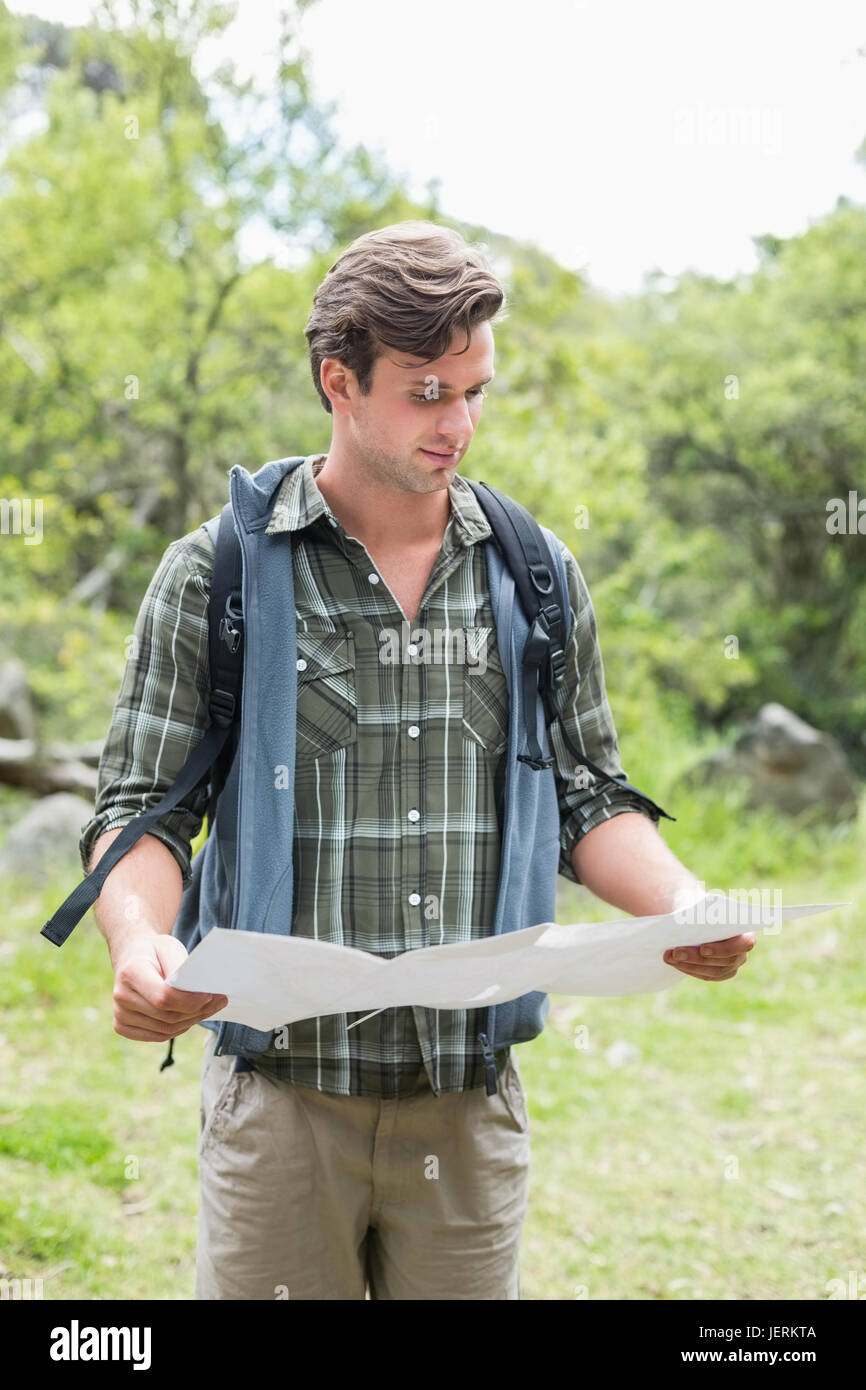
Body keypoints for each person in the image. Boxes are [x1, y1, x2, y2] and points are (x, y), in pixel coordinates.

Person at [80, 220, 755, 1301]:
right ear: (337, 381)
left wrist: (681, 903)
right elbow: (144, 811)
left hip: (468, 1111)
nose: (461, 424)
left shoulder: (534, 574)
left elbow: (587, 798)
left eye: (475, 389)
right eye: (427, 392)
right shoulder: (215, 574)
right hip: (279, 1111)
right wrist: (139, 940)